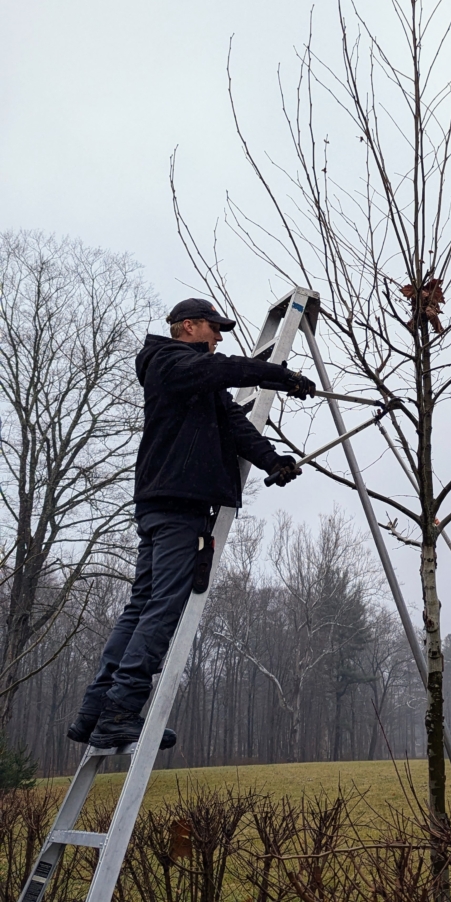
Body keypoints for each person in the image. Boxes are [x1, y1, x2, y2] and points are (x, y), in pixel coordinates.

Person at [67, 297, 315, 750]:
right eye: (213, 329)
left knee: (143, 606)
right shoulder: (168, 363)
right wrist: (279, 376)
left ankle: (94, 712)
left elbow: (236, 426)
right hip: (178, 504)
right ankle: (121, 711)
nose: (219, 338)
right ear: (187, 327)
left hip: (168, 503)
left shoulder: (196, 380)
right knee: (163, 607)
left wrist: (272, 462)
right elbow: (222, 371)